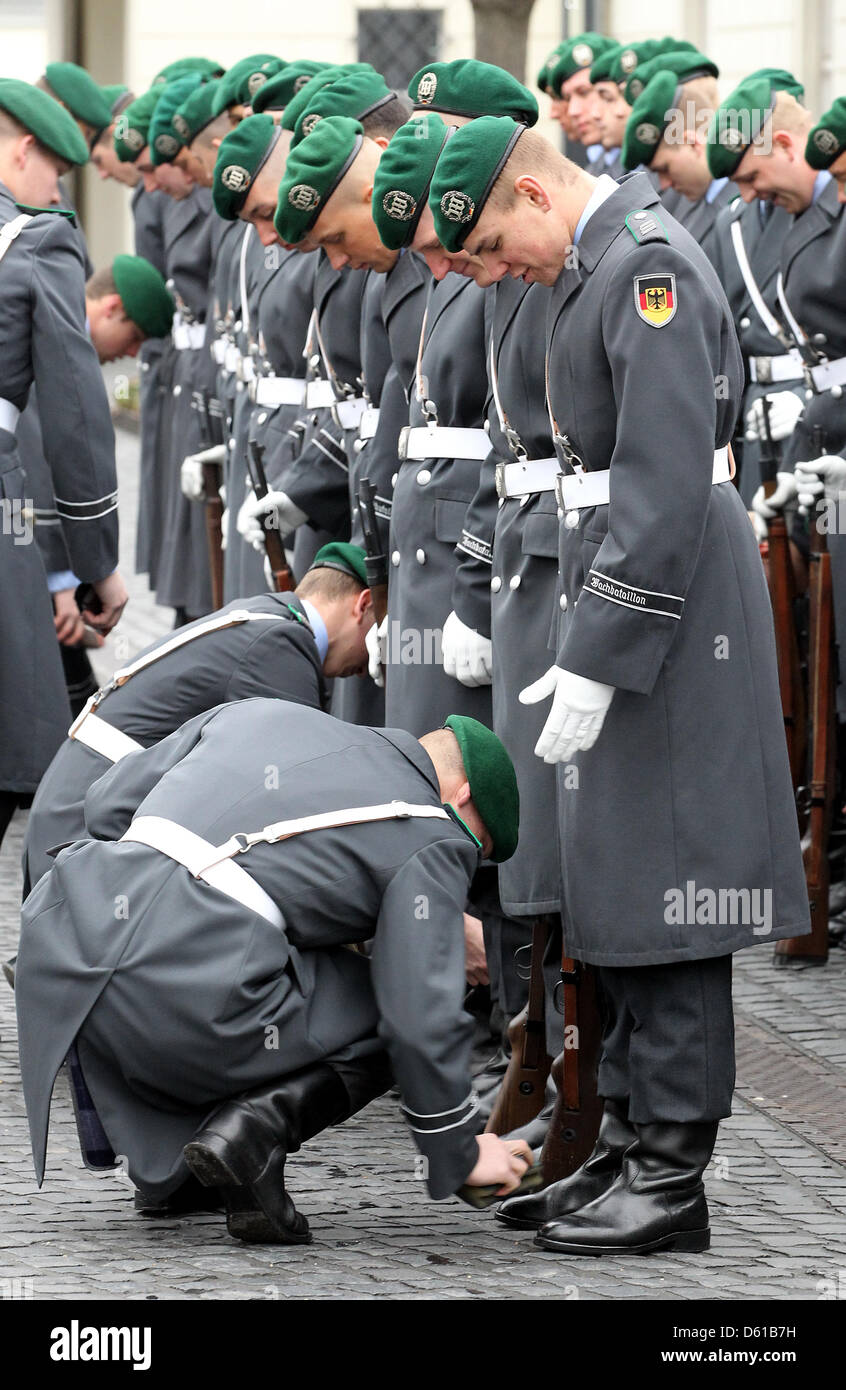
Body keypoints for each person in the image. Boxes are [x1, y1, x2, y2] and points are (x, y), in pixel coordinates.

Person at [429, 114, 810, 1255]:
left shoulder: (647, 266)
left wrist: (597, 653)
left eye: (495, 247)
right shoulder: (593, 262)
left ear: (538, 201)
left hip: (676, 612)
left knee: (676, 883)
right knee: (619, 884)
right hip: (624, 599)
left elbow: (659, 481)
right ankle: (633, 1136)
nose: (494, 276)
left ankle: (675, 1169)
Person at [16, 704, 530, 1243]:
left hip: (69, 948)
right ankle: (252, 1138)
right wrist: (460, 1150)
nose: (469, 858)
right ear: (463, 796)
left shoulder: (259, 713)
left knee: (267, 961)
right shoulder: (434, 829)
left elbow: (107, 802)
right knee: (384, 1006)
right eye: (480, 846)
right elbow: (415, 1010)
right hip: (184, 986)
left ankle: (184, 1169)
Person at [20, 542, 374, 895]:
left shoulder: (264, 619)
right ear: (364, 605)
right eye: (377, 632)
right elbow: (301, 792)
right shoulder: (278, 644)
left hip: (76, 814)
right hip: (86, 833)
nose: (368, 667)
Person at [0, 79, 128, 849]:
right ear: (23, 151)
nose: (55, 189)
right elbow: (76, 420)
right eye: (55, 171)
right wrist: (96, 564)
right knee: (18, 742)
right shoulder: (35, 244)